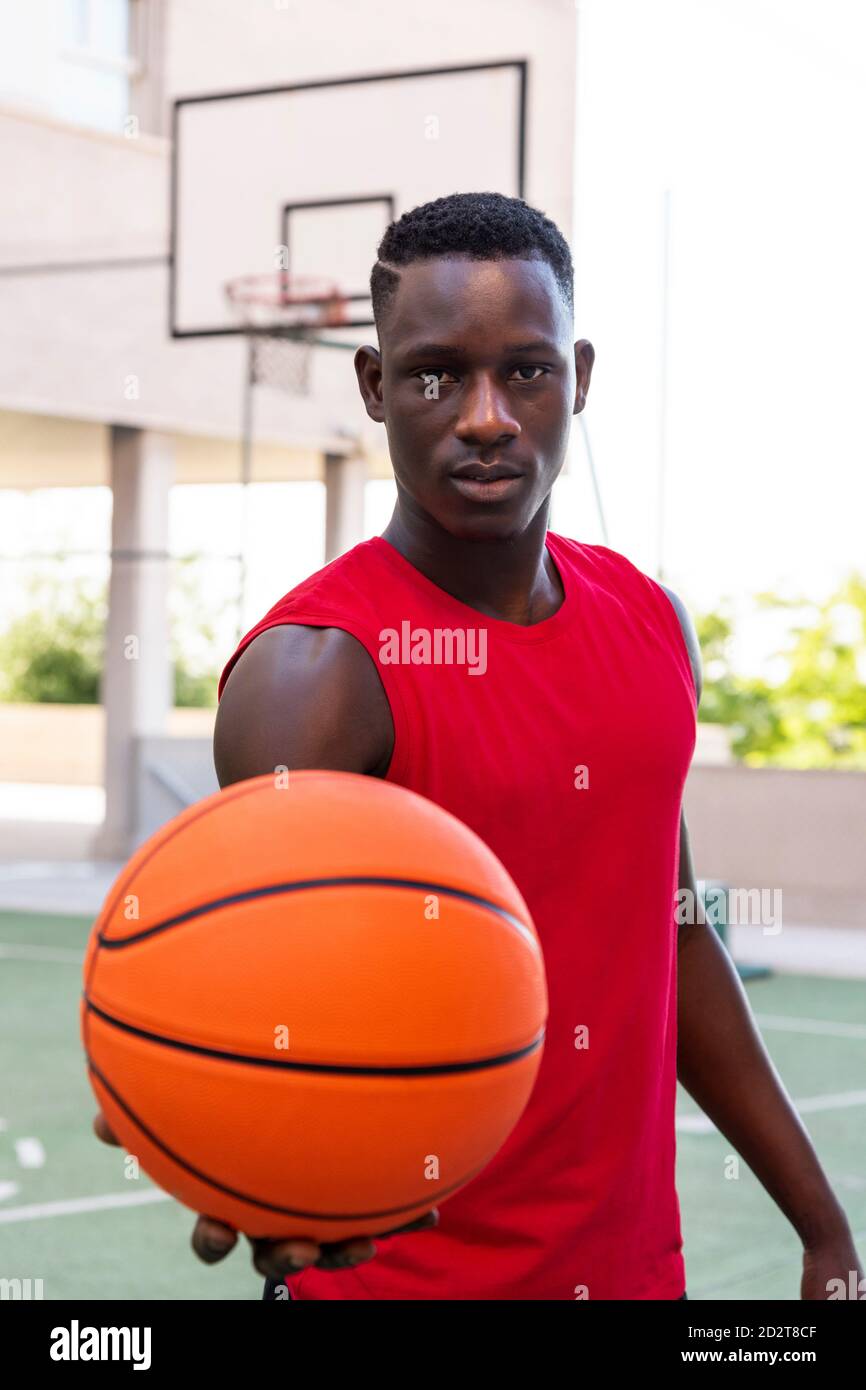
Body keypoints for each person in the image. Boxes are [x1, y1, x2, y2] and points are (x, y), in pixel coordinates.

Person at [95, 192, 861, 1300]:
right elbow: (243, 989)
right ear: (374, 387)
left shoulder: (649, 621)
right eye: (435, 373)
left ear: (579, 375)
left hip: (631, 1273)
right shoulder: (316, 676)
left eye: (527, 370)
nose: (486, 415)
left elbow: (675, 932)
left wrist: (823, 1226)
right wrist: (192, 1116)